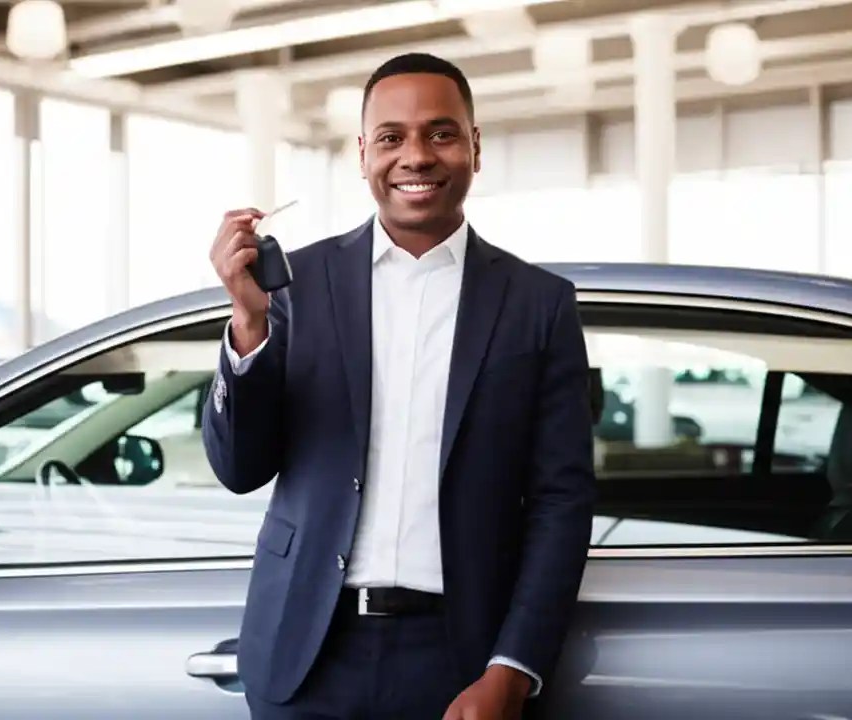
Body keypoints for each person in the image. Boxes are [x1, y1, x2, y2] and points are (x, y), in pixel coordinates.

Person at [203, 52, 596, 720]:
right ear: (362, 155)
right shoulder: (295, 286)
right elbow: (240, 469)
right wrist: (248, 320)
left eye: (441, 133)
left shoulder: (539, 304)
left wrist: (512, 669)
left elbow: (562, 500)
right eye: (391, 137)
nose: (416, 155)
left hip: (460, 661)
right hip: (306, 658)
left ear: (475, 146)